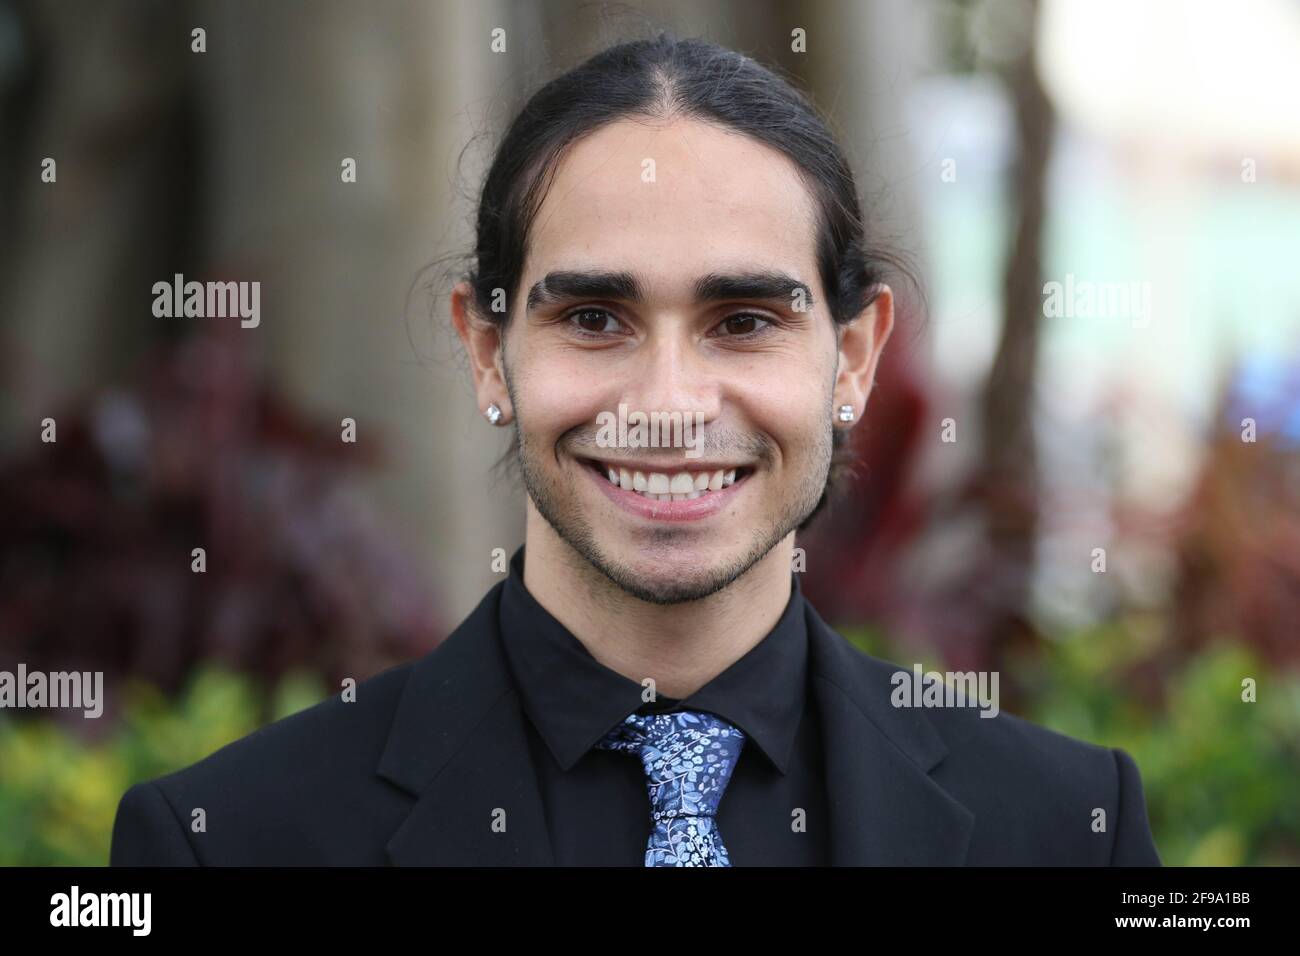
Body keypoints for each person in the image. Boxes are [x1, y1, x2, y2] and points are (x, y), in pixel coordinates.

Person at [111, 32, 1161, 867]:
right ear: (487, 349)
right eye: (596, 319)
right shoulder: (224, 840)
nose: (668, 403)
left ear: (850, 357)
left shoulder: (1072, 829)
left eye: (743, 320)